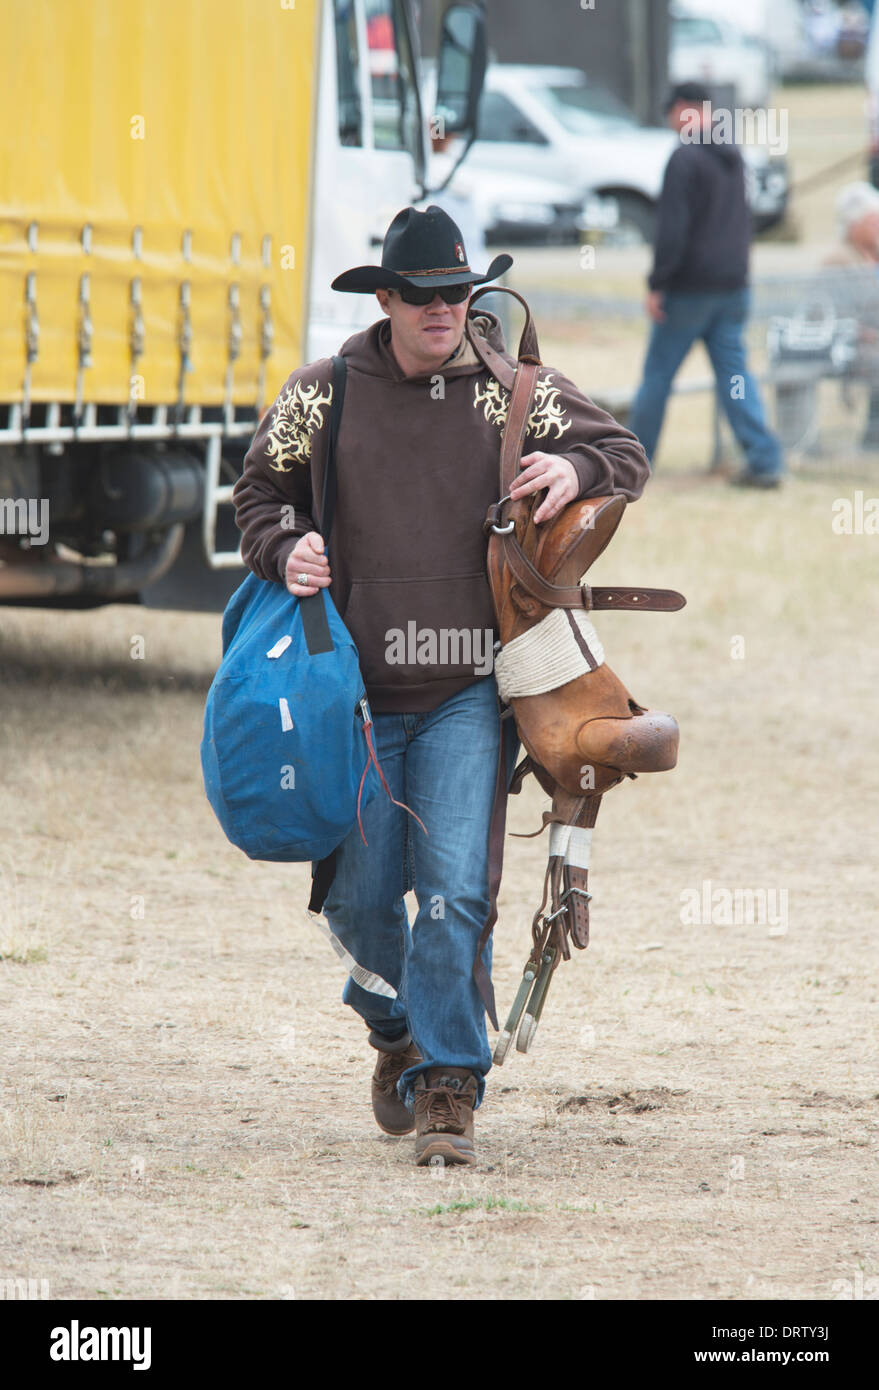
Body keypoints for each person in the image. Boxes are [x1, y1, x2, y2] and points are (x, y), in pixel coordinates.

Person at [232, 205, 649, 1167]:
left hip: (466, 692)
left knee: (458, 896)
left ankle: (449, 1085)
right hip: (352, 695)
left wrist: (572, 464)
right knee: (361, 903)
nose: (442, 310)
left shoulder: (513, 391)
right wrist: (285, 547)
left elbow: (624, 456)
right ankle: (393, 1024)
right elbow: (257, 493)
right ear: (384, 298)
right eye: (421, 295)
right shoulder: (323, 393)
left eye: (457, 294)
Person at [628, 82, 784, 488]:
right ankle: (764, 459)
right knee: (735, 377)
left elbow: (672, 230)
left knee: (658, 376)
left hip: (688, 290)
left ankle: (633, 463)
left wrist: (658, 283)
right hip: (734, 286)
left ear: (683, 107)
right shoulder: (733, 155)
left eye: (671, 114)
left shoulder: (684, 158)